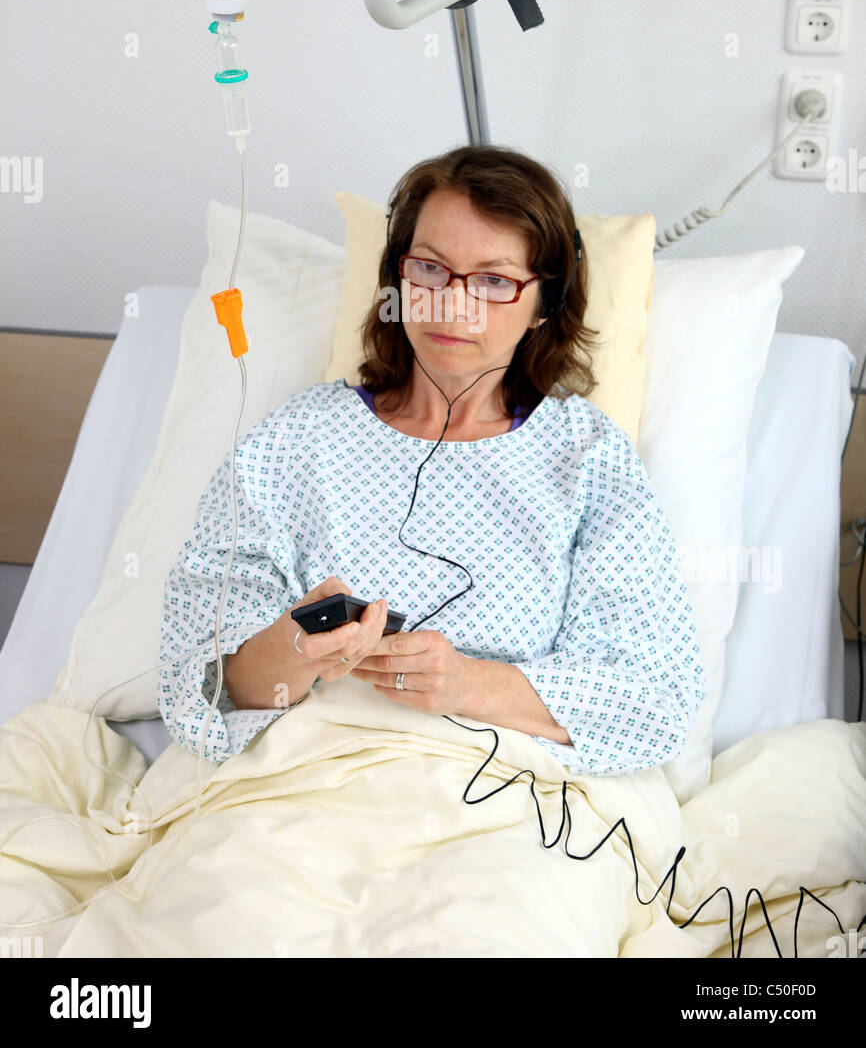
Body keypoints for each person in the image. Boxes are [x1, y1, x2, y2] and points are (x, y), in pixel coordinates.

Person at [157, 144, 707, 773]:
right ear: (397, 277)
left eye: (496, 280)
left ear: (544, 303)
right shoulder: (296, 440)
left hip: (501, 796)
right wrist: (297, 649)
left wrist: (470, 684)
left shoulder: (586, 459)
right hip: (308, 780)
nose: (453, 306)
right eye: (430, 269)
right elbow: (195, 691)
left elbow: (657, 700)